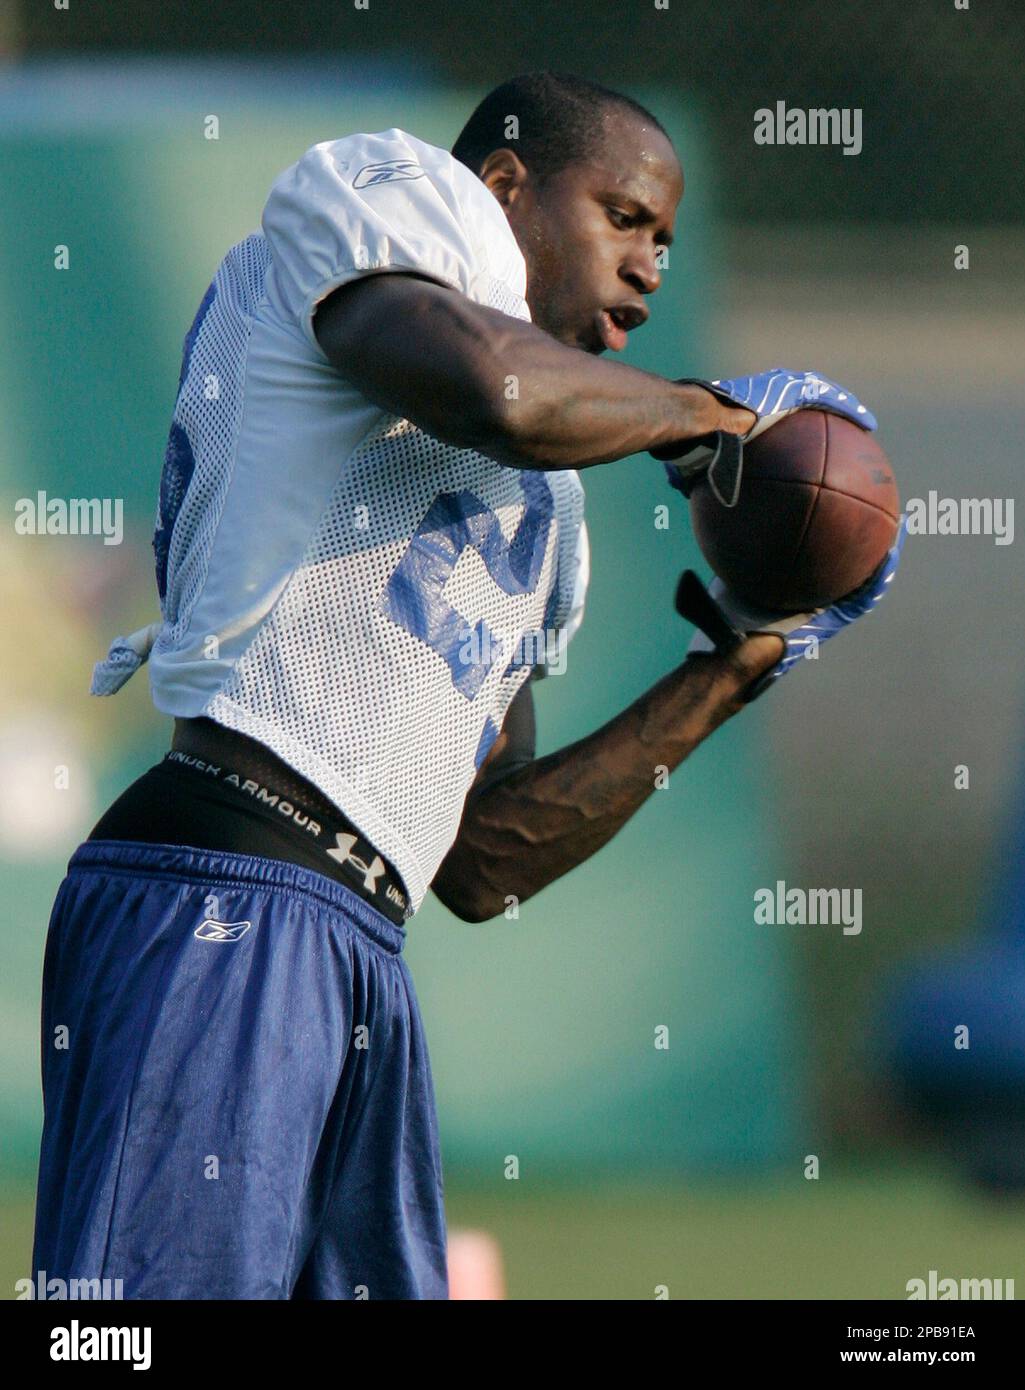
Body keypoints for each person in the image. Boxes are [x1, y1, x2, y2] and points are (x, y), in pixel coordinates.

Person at [32, 71, 901, 1300]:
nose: (650, 265)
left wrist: (734, 666)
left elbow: (484, 857)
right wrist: (702, 417)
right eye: (621, 217)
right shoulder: (381, 198)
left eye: (667, 241)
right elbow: (496, 389)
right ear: (499, 185)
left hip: (356, 943)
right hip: (225, 889)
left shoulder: (546, 494)